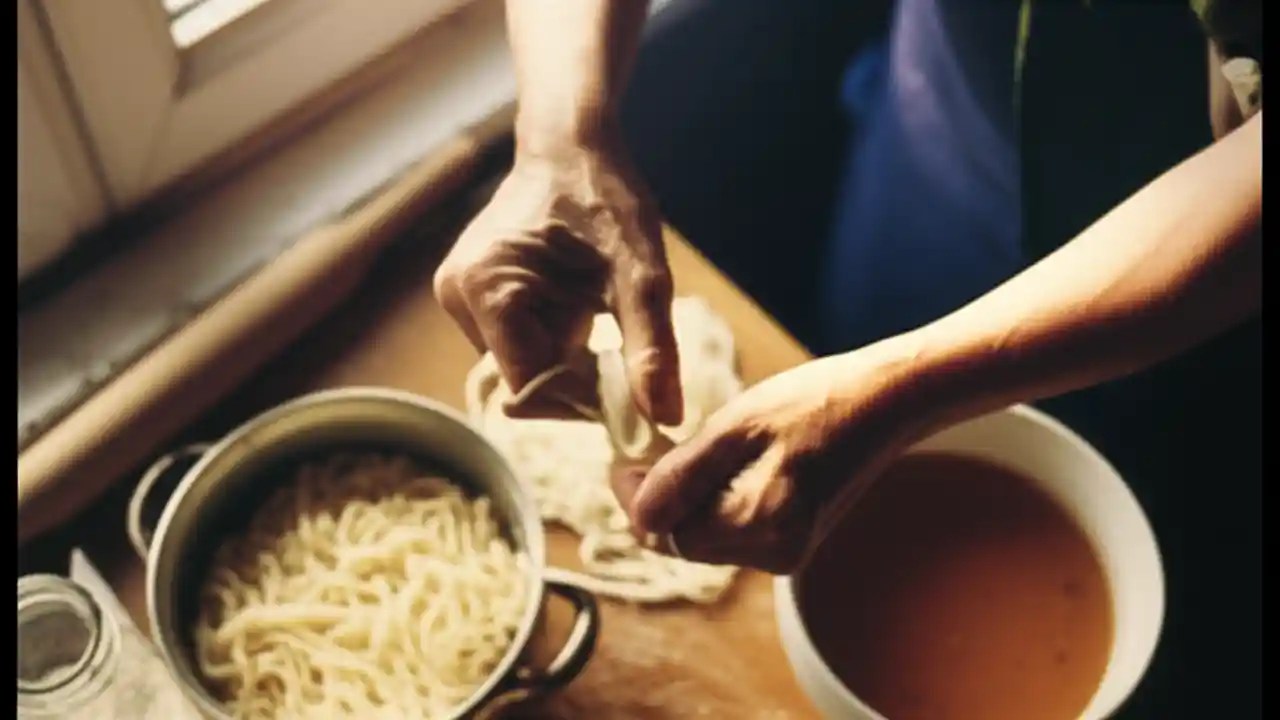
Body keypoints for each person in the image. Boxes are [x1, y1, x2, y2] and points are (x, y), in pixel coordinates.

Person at [433, 0, 1261, 574]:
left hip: (1211, 272)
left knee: (1144, 511)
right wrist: (560, 136)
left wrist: (904, 389)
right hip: (936, 154)